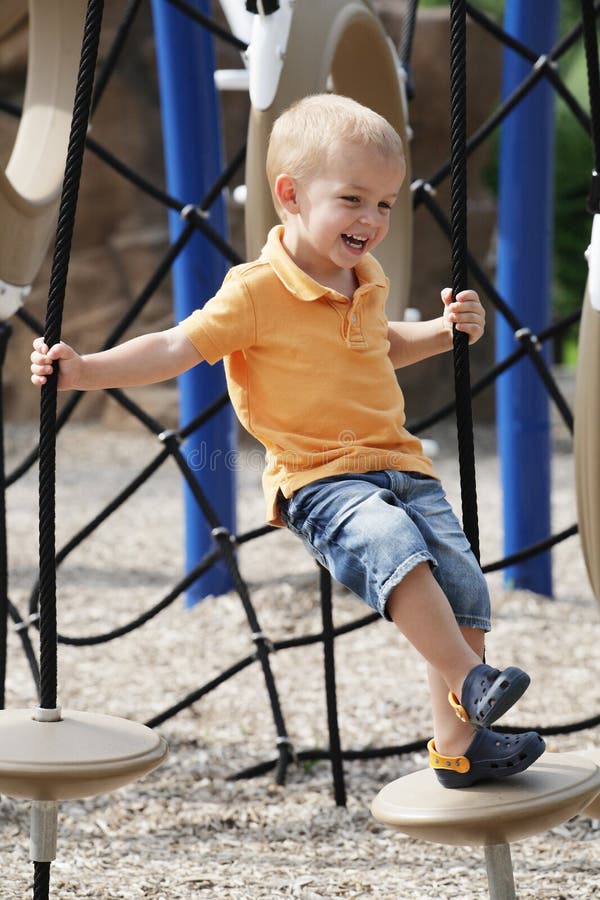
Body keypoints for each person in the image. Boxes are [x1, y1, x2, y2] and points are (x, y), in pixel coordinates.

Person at [31, 93, 544, 788]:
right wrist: (85, 371)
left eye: (386, 205)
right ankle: (471, 681)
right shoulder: (257, 292)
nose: (372, 220)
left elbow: (377, 347)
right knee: (392, 546)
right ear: (291, 196)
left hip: (400, 463)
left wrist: (442, 332)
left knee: (459, 584)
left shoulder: (365, 278)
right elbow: (178, 346)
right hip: (320, 479)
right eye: (354, 199)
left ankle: (460, 748)